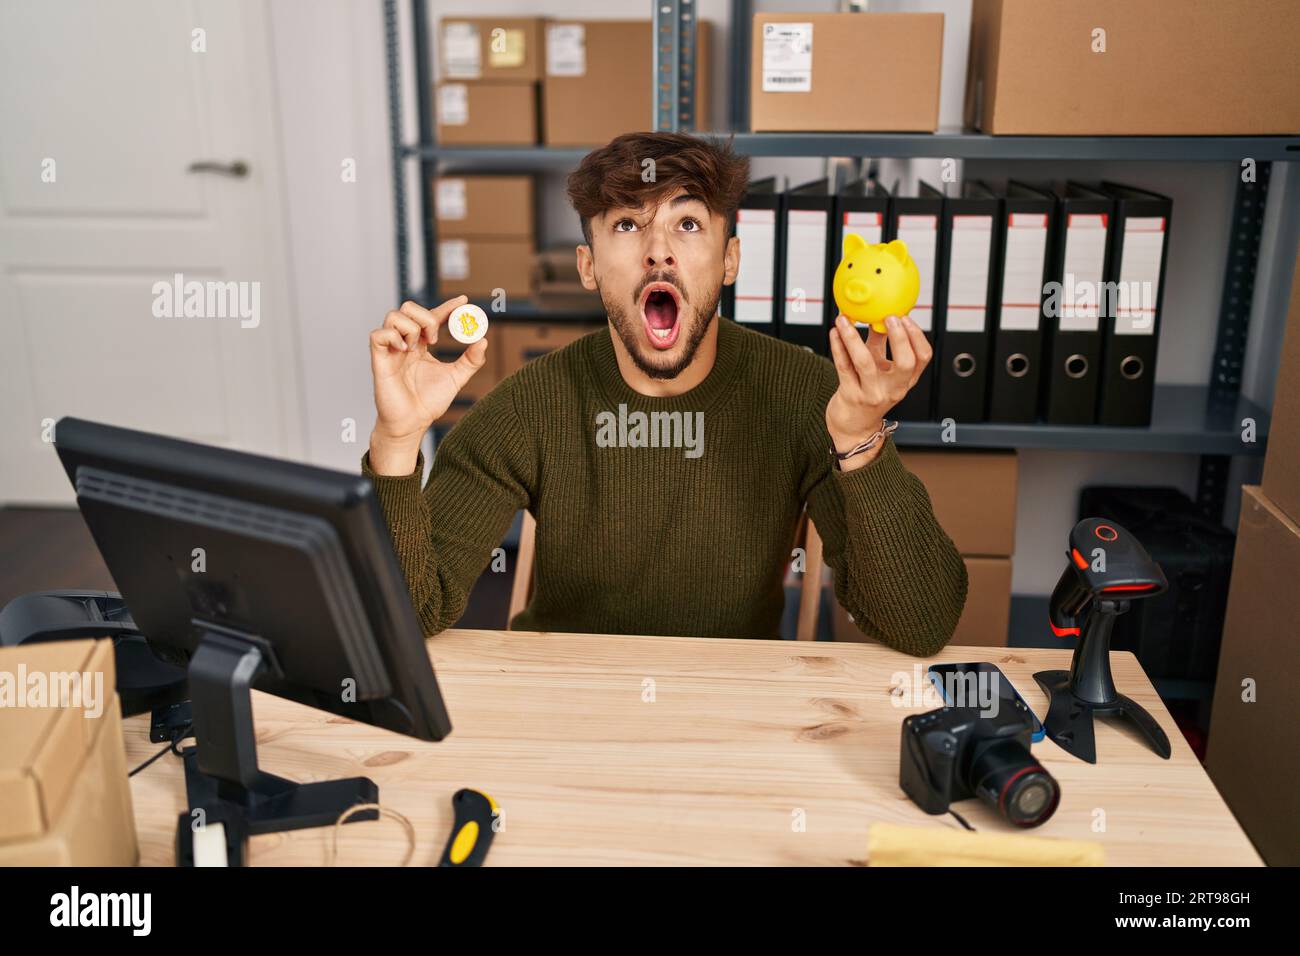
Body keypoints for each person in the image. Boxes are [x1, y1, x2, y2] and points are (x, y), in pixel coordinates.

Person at [363, 131, 967, 655]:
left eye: (687, 223)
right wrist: (397, 440)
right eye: (627, 224)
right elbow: (411, 612)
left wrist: (861, 438)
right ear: (588, 266)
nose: (658, 250)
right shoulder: (530, 406)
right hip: (565, 701)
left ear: (729, 259)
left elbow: (920, 624)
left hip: (728, 706)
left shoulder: (809, 395)